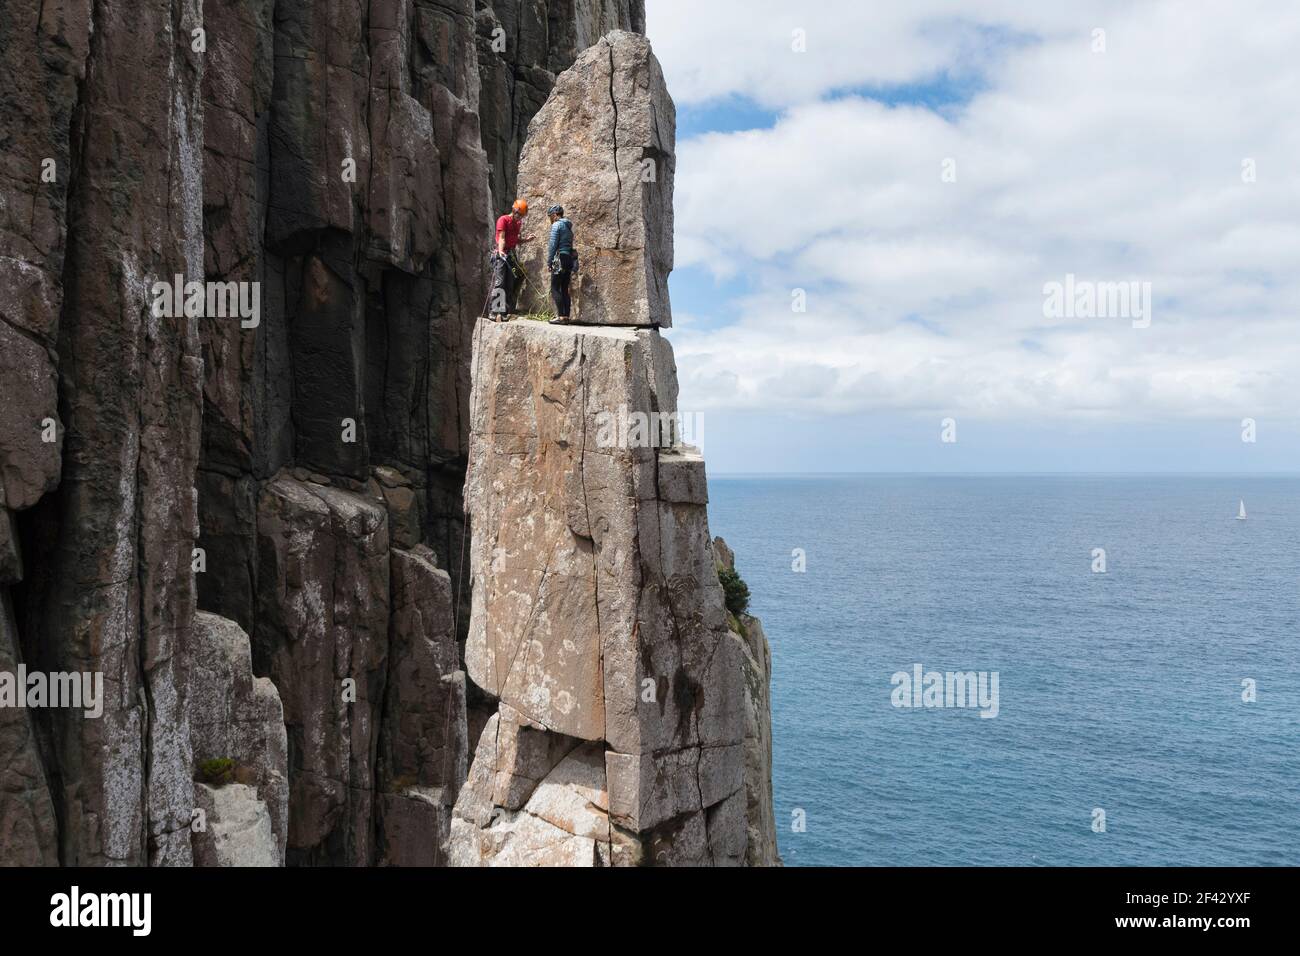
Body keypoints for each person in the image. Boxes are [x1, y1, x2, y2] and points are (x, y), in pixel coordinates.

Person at [487, 199, 534, 320]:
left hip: (511, 256)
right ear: (514, 211)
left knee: (510, 282)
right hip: (501, 255)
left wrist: (526, 240)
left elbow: (514, 239)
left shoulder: (518, 224)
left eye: (522, 216)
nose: (520, 218)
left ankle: (504, 312)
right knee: (500, 282)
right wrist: (501, 252)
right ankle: (494, 311)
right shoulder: (503, 220)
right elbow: (502, 238)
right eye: (520, 215)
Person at [545, 205, 578, 324]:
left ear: (554, 215)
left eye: (550, 216)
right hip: (568, 259)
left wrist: (549, 262)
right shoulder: (569, 228)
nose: (550, 219)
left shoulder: (556, 225)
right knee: (564, 289)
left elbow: (553, 245)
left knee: (554, 288)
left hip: (559, 258)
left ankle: (560, 316)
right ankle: (566, 317)